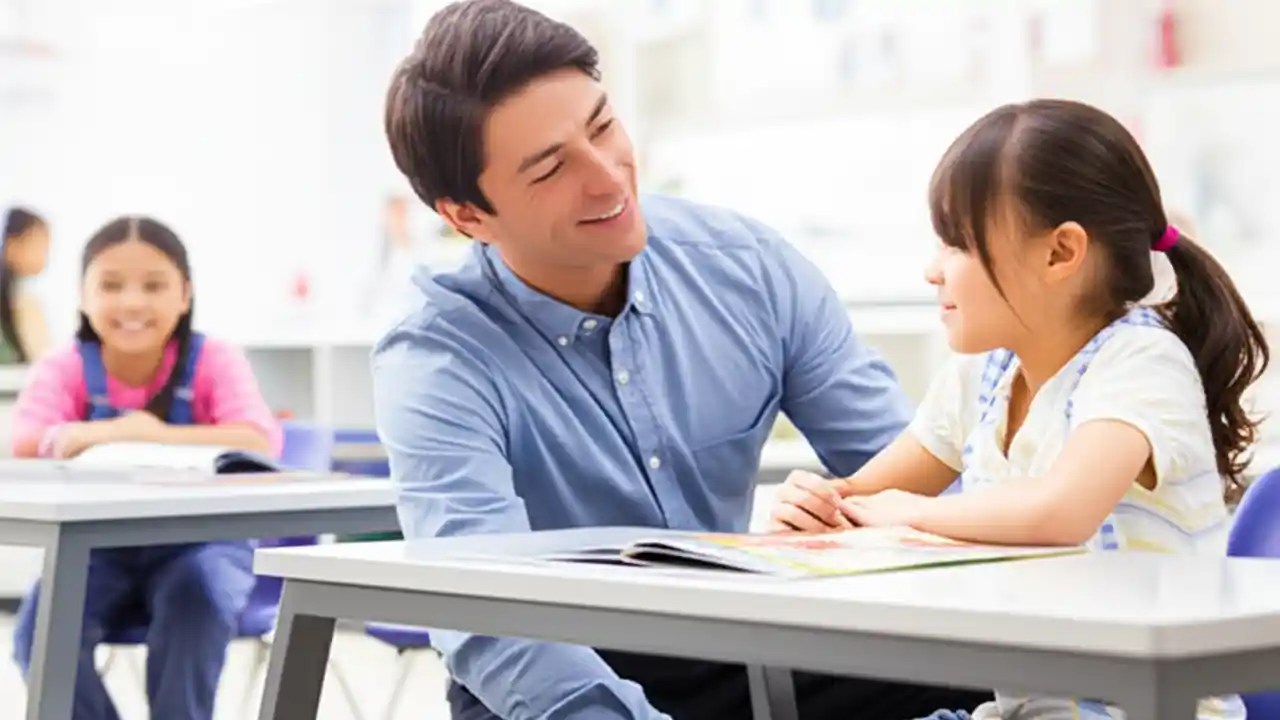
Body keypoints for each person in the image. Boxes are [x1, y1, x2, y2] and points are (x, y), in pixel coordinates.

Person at [374, 1, 992, 718]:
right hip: (554, 668)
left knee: (1013, 685)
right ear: (466, 217)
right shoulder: (437, 357)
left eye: (604, 127)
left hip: (743, 641)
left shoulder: (748, 270)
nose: (608, 178)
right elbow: (486, 618)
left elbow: (925, 493)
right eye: (550, 169)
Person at [769, 99, 1265, 719]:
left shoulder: (1142, 364)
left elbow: (1062, 512)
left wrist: (906, 515)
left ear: (1060, 253)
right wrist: (812, 507)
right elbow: (858, 498)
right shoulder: (981, 376)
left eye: (957, 245)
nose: (932, 270)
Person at [9, 216, 283, 720]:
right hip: (93, 549)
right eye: (110, 286)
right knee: (39, 635)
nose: (132, 302)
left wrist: (140, 434)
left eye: (154, 285)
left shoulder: (214, 360)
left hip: (205, 546)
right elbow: (22, 441)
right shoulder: (63, 365)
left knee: (195, 596)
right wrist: (67, 438)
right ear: (81, 296)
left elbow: (258, 437)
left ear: (185, 295)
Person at [1, 206, 52, 362]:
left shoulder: (18, 292)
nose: (44, 258)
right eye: (39, 247)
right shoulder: (19, 299)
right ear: (13, 244)